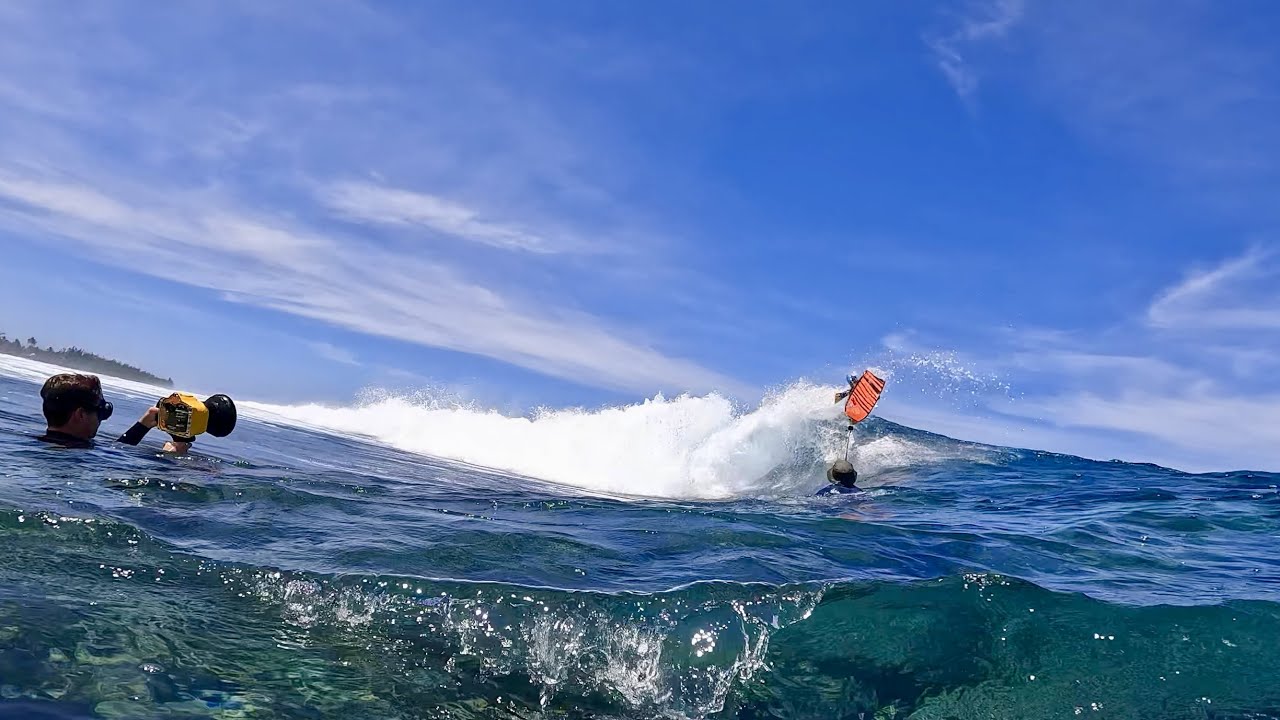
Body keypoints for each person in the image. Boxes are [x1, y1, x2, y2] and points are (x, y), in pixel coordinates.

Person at [37, 373, 190, 452]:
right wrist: (169, 460)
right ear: (81, 415)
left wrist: (144, 425)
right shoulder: (80, 456)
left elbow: (114, 452)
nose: (101, 419)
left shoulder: (38, 444)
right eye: (99, 412)